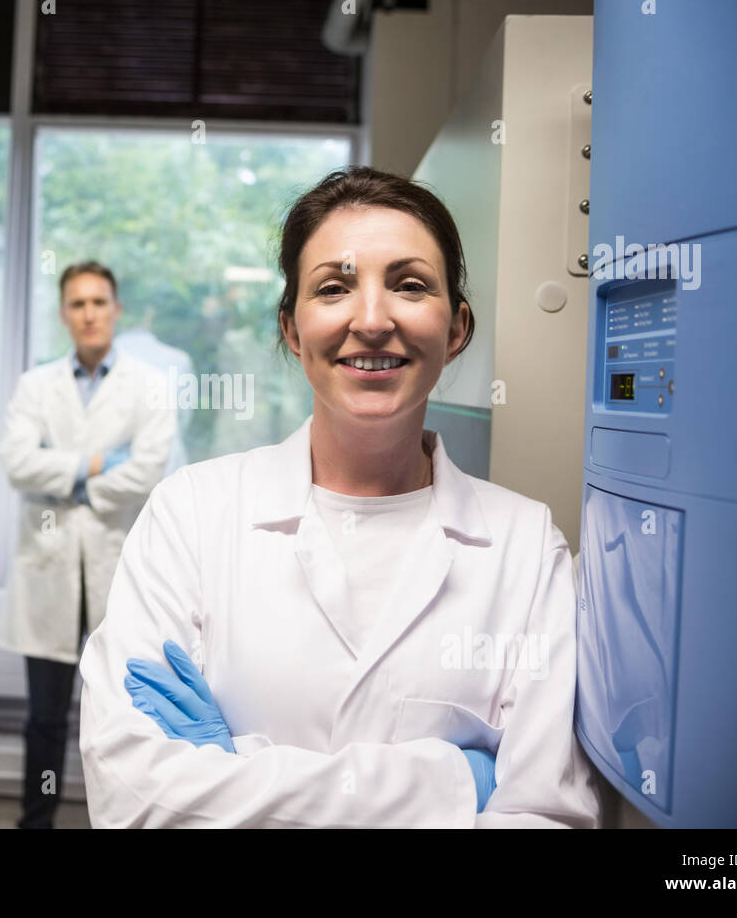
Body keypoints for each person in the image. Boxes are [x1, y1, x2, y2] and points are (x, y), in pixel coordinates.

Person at [77, 167, 603, 827]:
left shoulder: (527, 549)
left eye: (410, 285)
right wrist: (448, 784)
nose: (373, 319)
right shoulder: (190, 514)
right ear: (292, 331)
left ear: (458, 327)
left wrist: (232, 769)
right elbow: (133, 800)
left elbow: (543, 817)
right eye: (334, 287)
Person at [0, 261, 176, 829]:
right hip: (47, 571)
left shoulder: (149, 384)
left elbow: (148, 470)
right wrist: (95, 464)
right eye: (78, 304)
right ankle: (36, 821)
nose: (90, 314)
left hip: (113, 564)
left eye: (99, 302)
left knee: (123, 718)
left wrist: (68, 480)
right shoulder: (35, 385)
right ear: (63, 314)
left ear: (116, 310)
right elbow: (16, 463)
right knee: (44, 719)